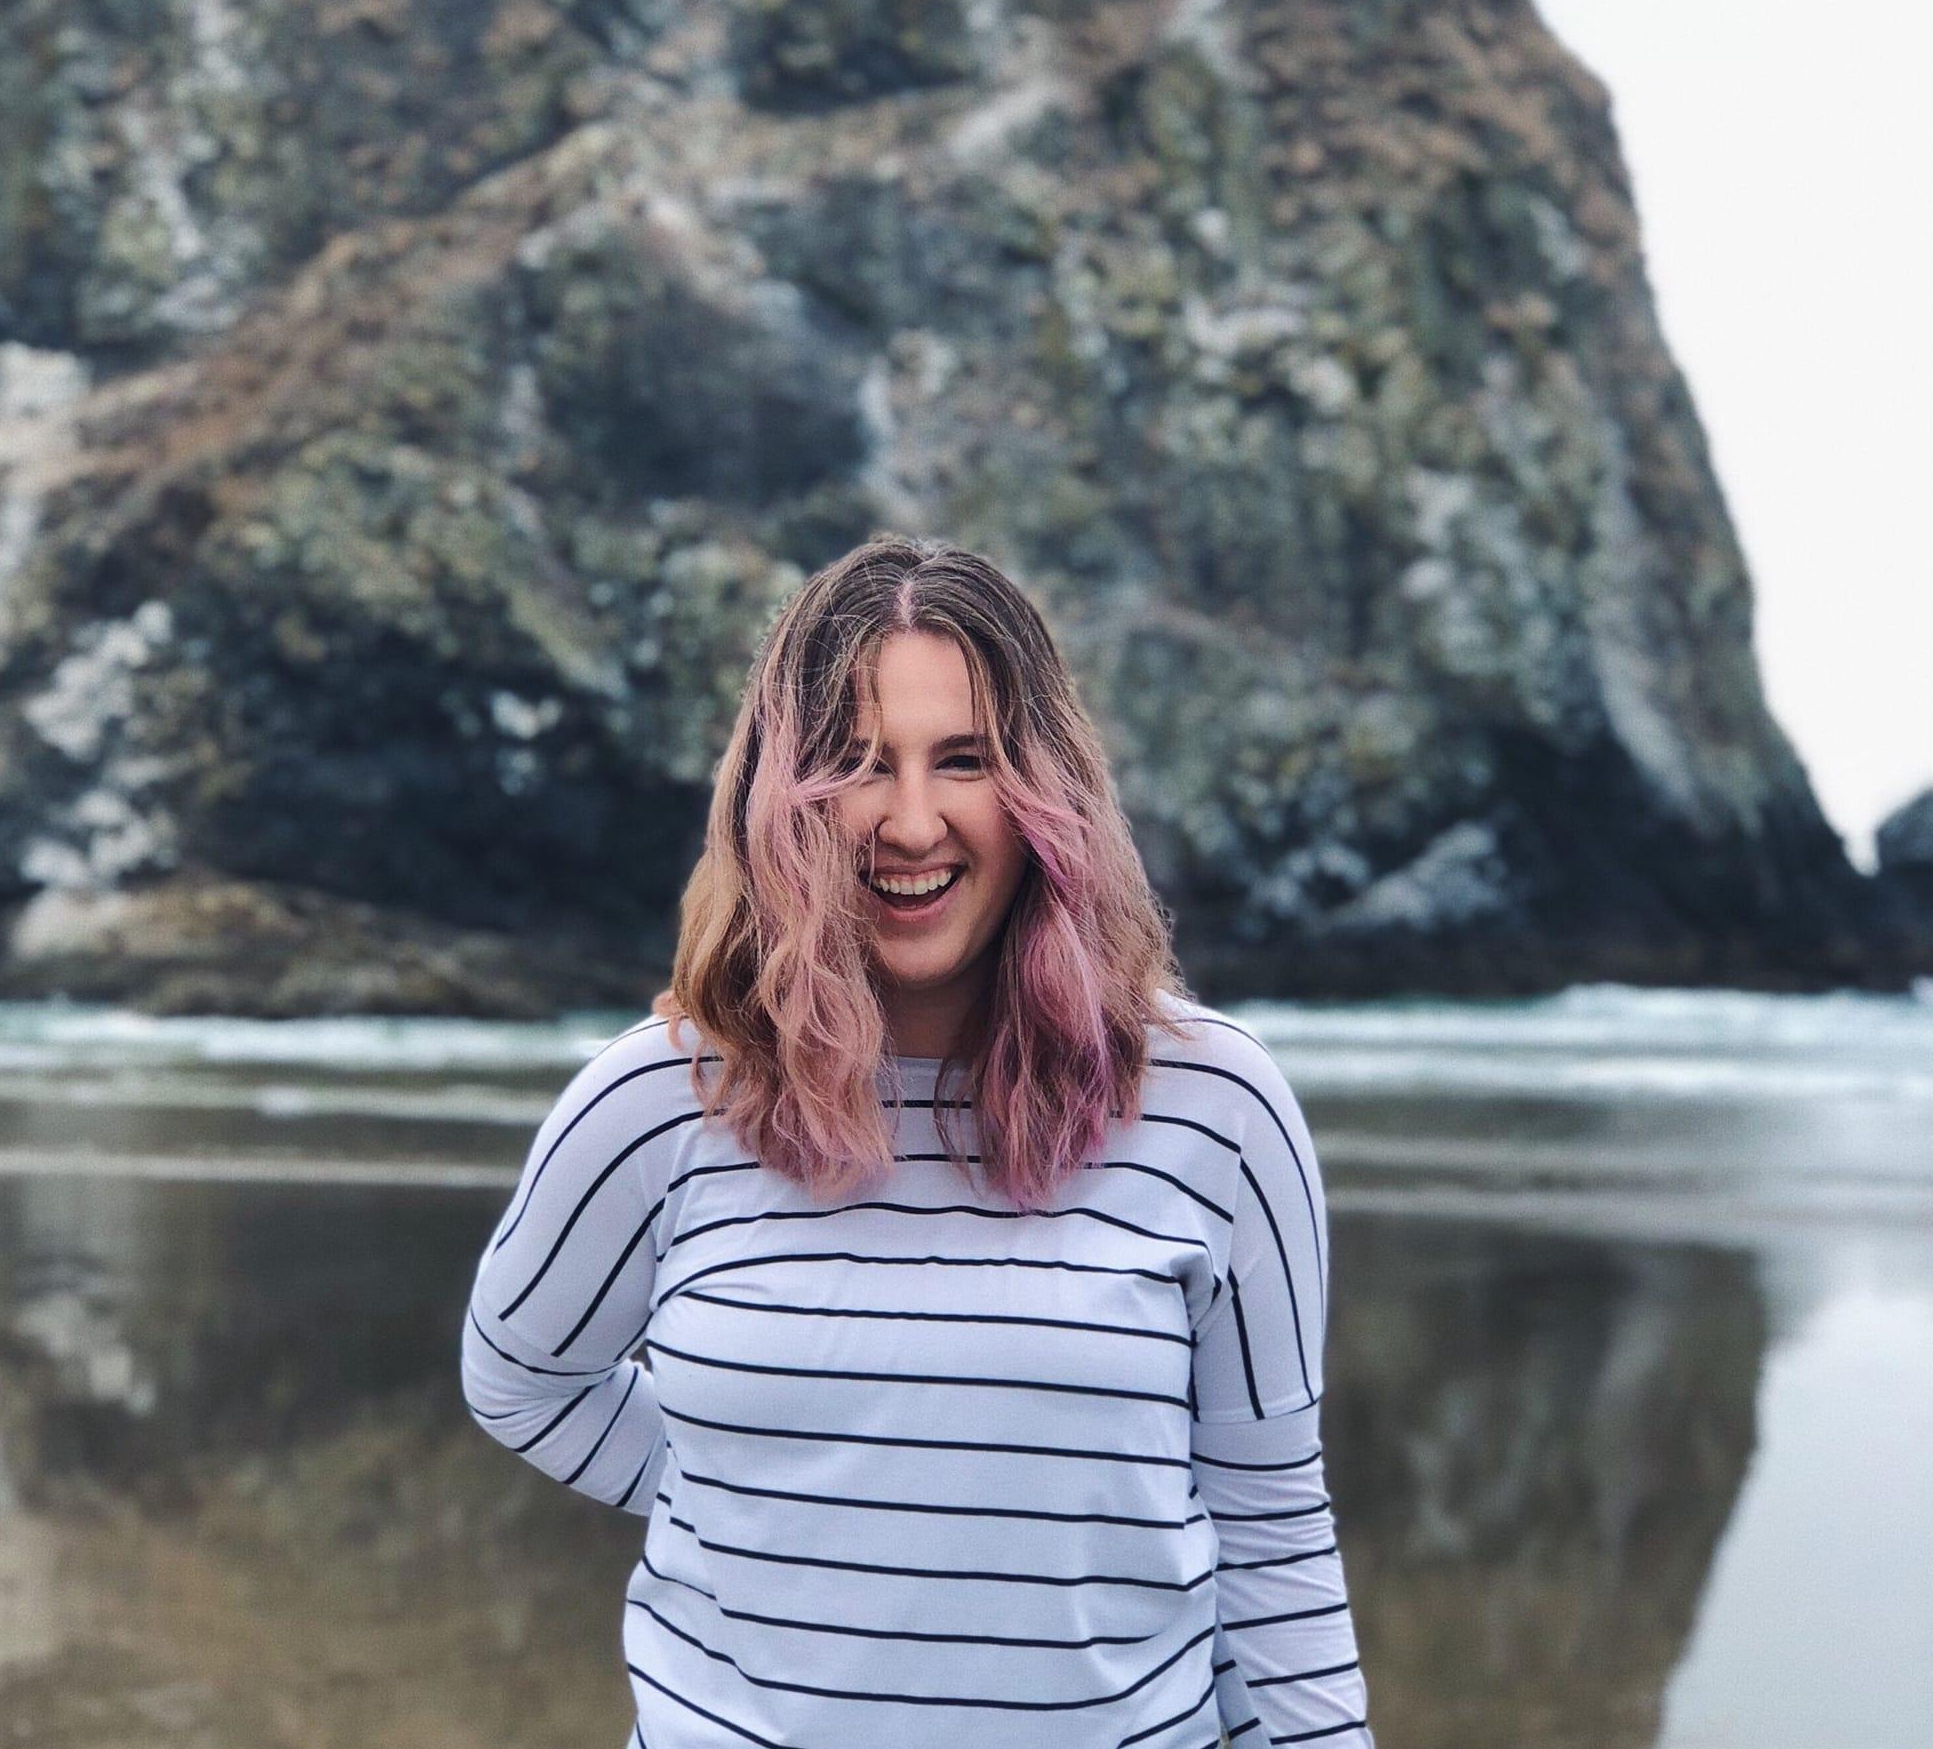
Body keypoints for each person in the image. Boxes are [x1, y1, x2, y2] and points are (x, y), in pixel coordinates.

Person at [461, 534, 1375, 1748]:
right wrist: (734, 1503)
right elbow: (520, 1377)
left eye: (963, 759)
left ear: (1043, 788)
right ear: (779, 795)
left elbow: (1268, 1524)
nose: (907, 821)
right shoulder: (657, 1098)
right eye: (854, 762)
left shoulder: (1216, 1104)